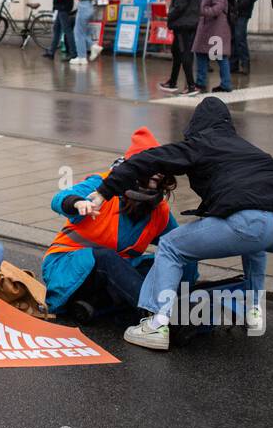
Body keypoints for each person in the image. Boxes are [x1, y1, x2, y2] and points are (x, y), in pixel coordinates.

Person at [87, 98, 273, 351]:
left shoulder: (200, 143)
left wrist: (105, 191)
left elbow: (148, 159)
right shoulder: (253, 151)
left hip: (251, 221)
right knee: (255, 245)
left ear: (196, 125)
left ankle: (156, 324)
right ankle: (254, 312)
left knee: (171, 246)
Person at [42, 128, 179, 317]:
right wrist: (77, 203)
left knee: (164, 265)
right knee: (106, 257)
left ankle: (97, 307)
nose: (158, 173)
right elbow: (59, 199)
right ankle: (157, 315)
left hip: (114, 276)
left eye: (160, 169)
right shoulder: (103, 185)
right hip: (67, 270)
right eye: (151, 167)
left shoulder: (159, 210)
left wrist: (187, 284)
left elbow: (178, 246)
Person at [160, 0, 203, 94]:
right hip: (189, 22)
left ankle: (191, 86)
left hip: (183, 24)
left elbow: (180, 5)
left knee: (184, 53)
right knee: (177, 52)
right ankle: (172, 82)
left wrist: (170, 15)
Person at [193, 0, 232, 93]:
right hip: (211, 28)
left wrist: (204, 11)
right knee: (204, 54)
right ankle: (203, 82)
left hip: (215, 28)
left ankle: (222, 84)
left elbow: (218, 7)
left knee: (219, 56)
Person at [223, 0, 259, 75]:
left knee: (240, 37)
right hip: (229, 12)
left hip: (242, 12)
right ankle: (233, 65)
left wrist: (242, 3)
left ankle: (245, 64)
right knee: (231, 38)